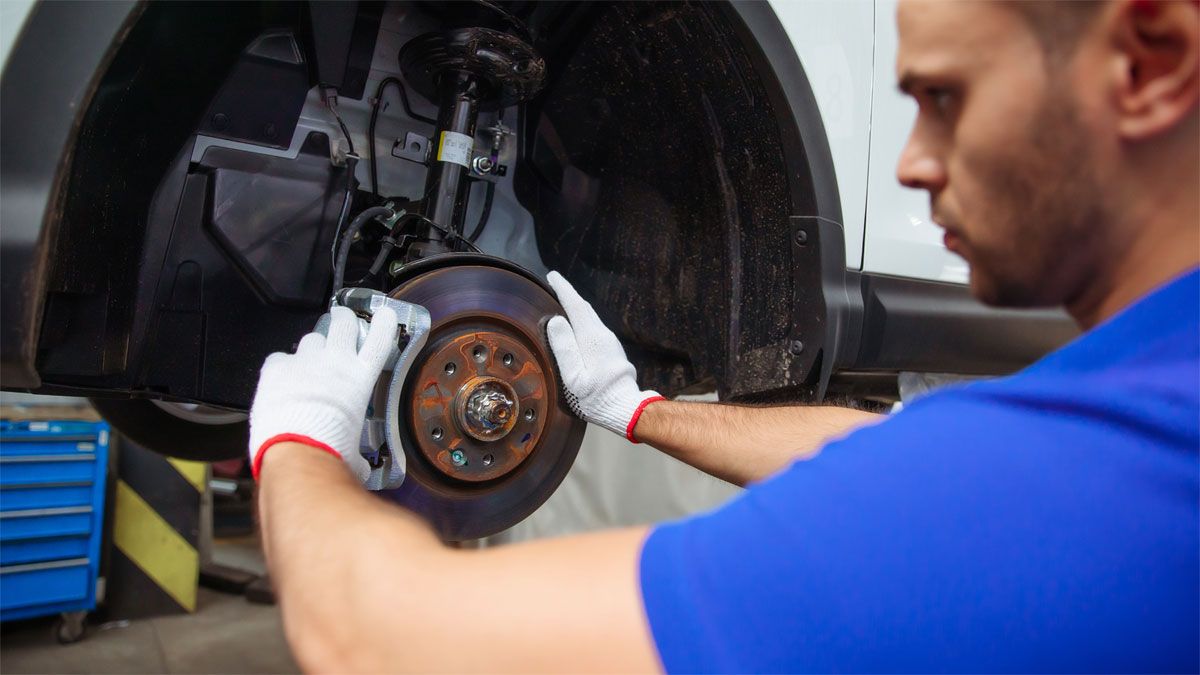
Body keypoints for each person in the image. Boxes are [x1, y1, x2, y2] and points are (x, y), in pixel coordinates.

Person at [248, 0, 1199, 671]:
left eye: (946, 98)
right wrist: (641, 411)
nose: (914, 161)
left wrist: (298, 441)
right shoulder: (1136, 414)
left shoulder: (1081, 488)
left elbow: (382, 639)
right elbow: (894, 451)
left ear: (1147, 63)